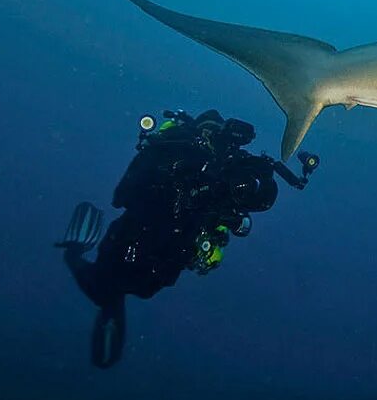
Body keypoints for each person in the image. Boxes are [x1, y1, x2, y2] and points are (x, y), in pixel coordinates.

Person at [55, 109, 319, 369]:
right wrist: (177, 185)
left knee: (139, 289)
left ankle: (109, 318)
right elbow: (123, 196)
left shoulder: (227, 169)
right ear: (197, 131)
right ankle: (73, 254)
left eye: (218, 133)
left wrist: (224, 210)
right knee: (105, 288)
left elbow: (240, 215)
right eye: (209, 132)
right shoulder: (168, 150)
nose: (214, 140)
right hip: (134, 235)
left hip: (171, 255)